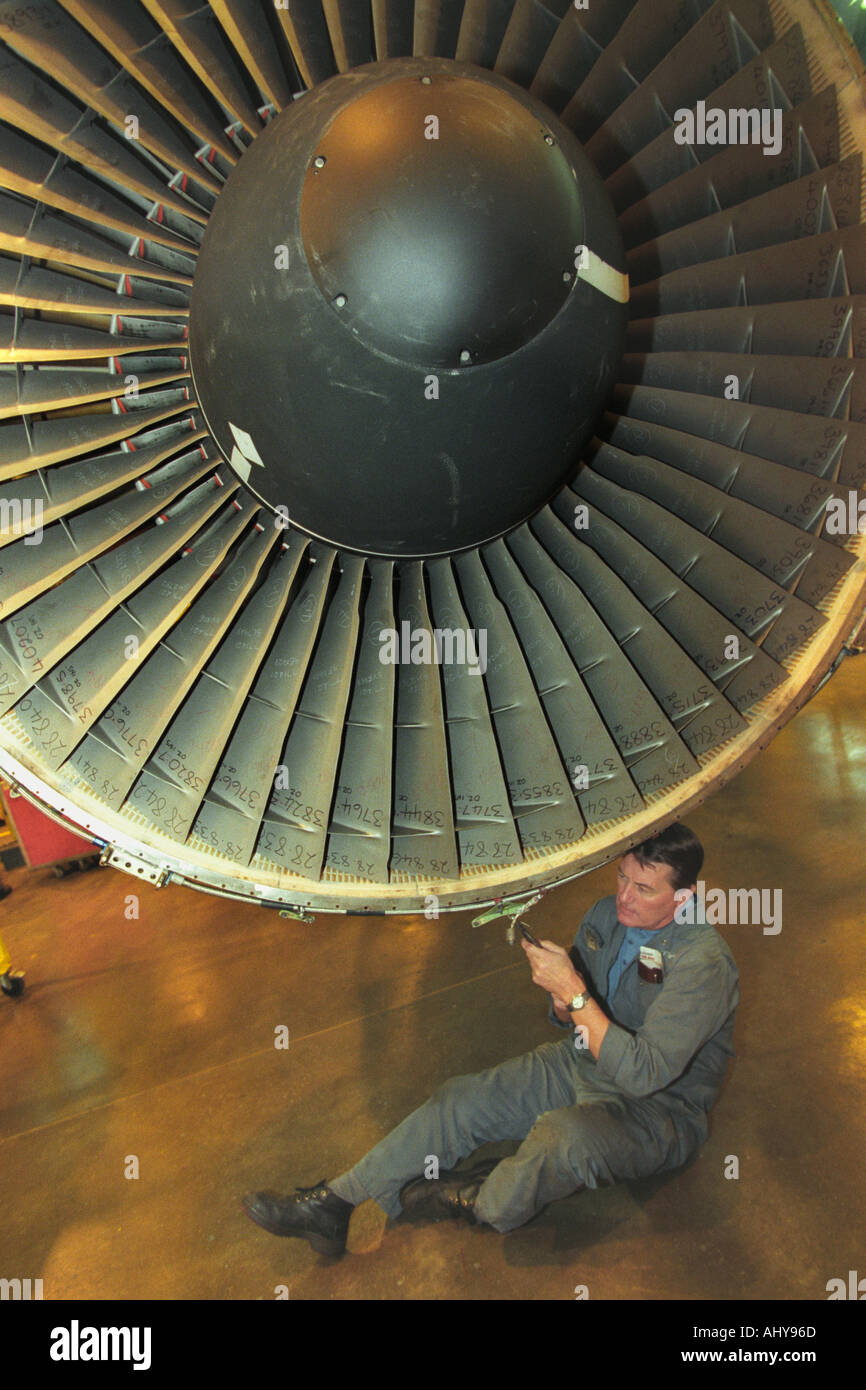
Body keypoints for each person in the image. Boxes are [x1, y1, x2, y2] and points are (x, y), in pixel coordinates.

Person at [243, 822, 739, 1256]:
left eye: (645, 889)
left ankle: (476, 1198)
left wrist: (575, 993)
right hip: (584, 1062)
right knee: (462, 1099)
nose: (625, 896)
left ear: (684, 897)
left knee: (561, 1138)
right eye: (622, 878)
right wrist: (562, 1002)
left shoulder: (703, 965)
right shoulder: (606, 913)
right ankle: (336, 1202)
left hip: (658, 1110)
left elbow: (644, 1072)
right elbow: (571, 1017)